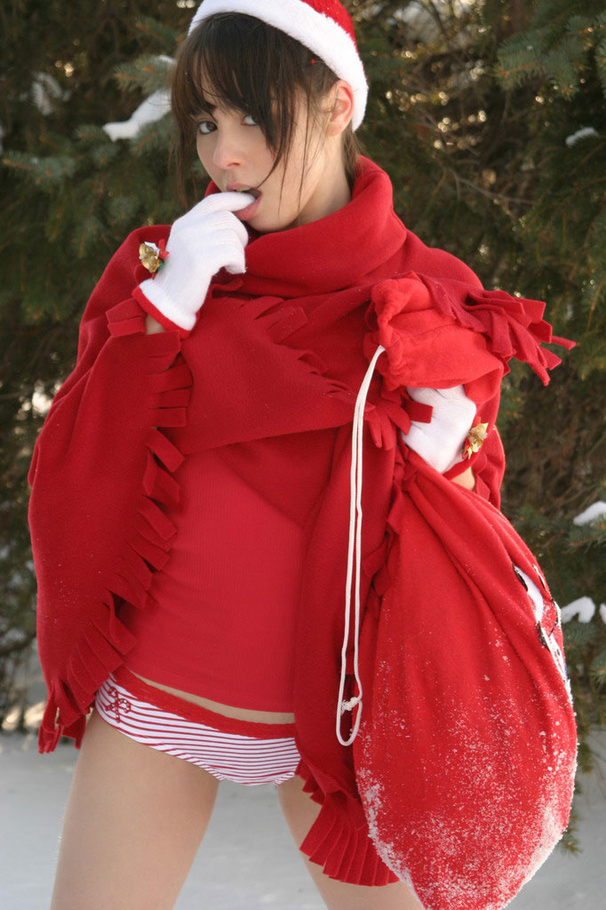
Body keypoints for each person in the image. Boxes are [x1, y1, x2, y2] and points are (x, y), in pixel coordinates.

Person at [26, 2, 576, 909]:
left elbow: (468, 545)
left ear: (335, 105)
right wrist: (158, 315)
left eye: (252, 115)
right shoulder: (166, 266)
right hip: (159, 696)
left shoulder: (432, 298)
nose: (226, 154)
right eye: (207, 121)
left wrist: (438, 466)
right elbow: (74, 465)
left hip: (336, 717)